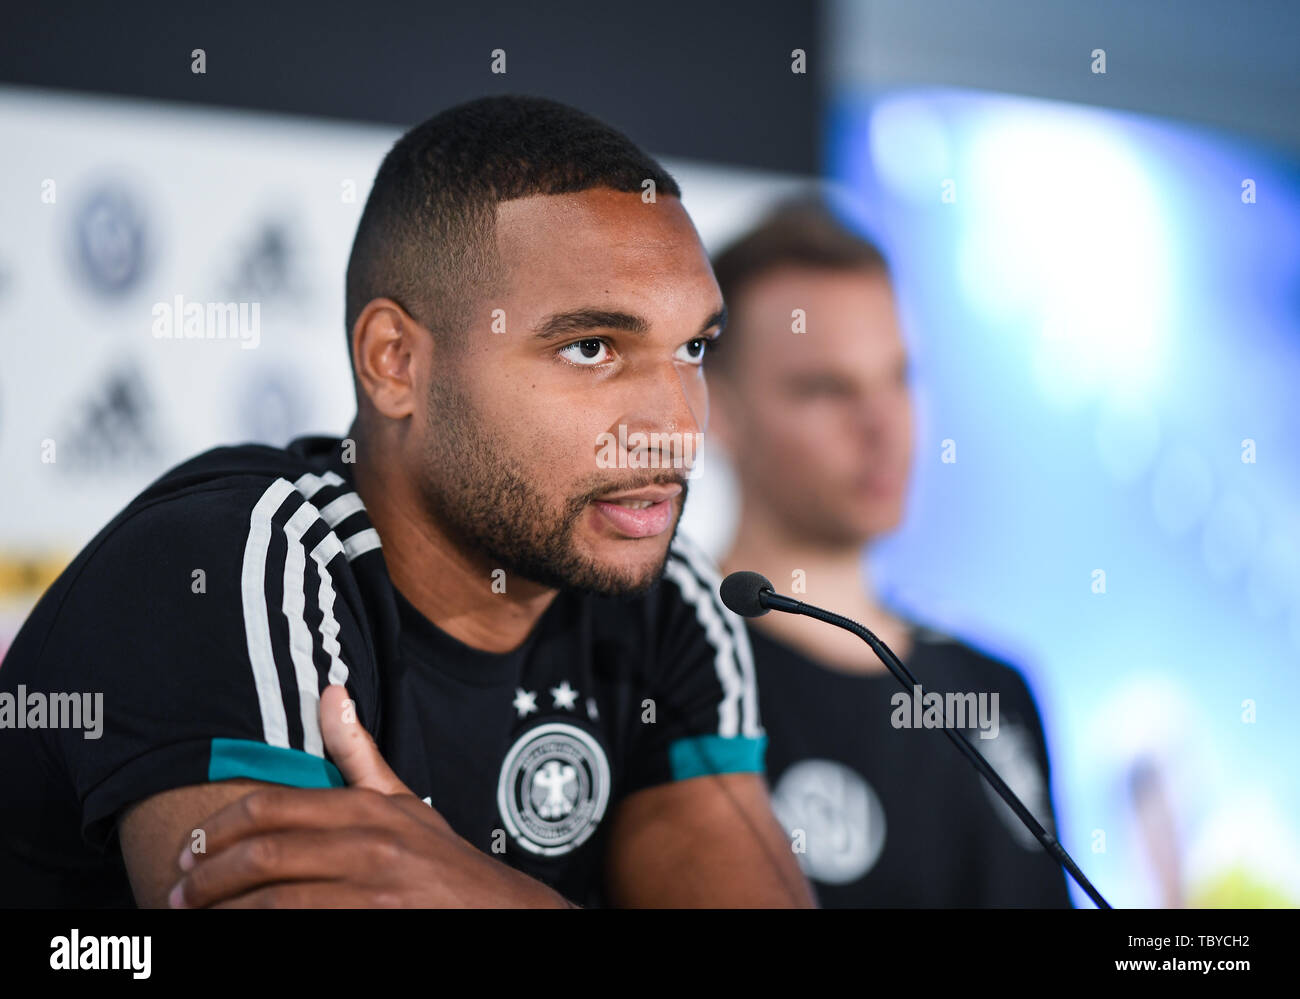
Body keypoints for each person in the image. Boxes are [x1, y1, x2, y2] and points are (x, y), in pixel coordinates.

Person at [0, 95, 814, 909]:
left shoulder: (670, 602)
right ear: (395, 362)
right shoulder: (237, 564)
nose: (676, 427)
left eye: (694, 349)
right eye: (591, 347)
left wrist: (493, 896)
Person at [707, 196, 1072, 907]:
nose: (883, 425)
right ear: (716, 410)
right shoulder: (668, 669)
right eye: (826, 388)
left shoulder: (993, 688)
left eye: (898, 377)